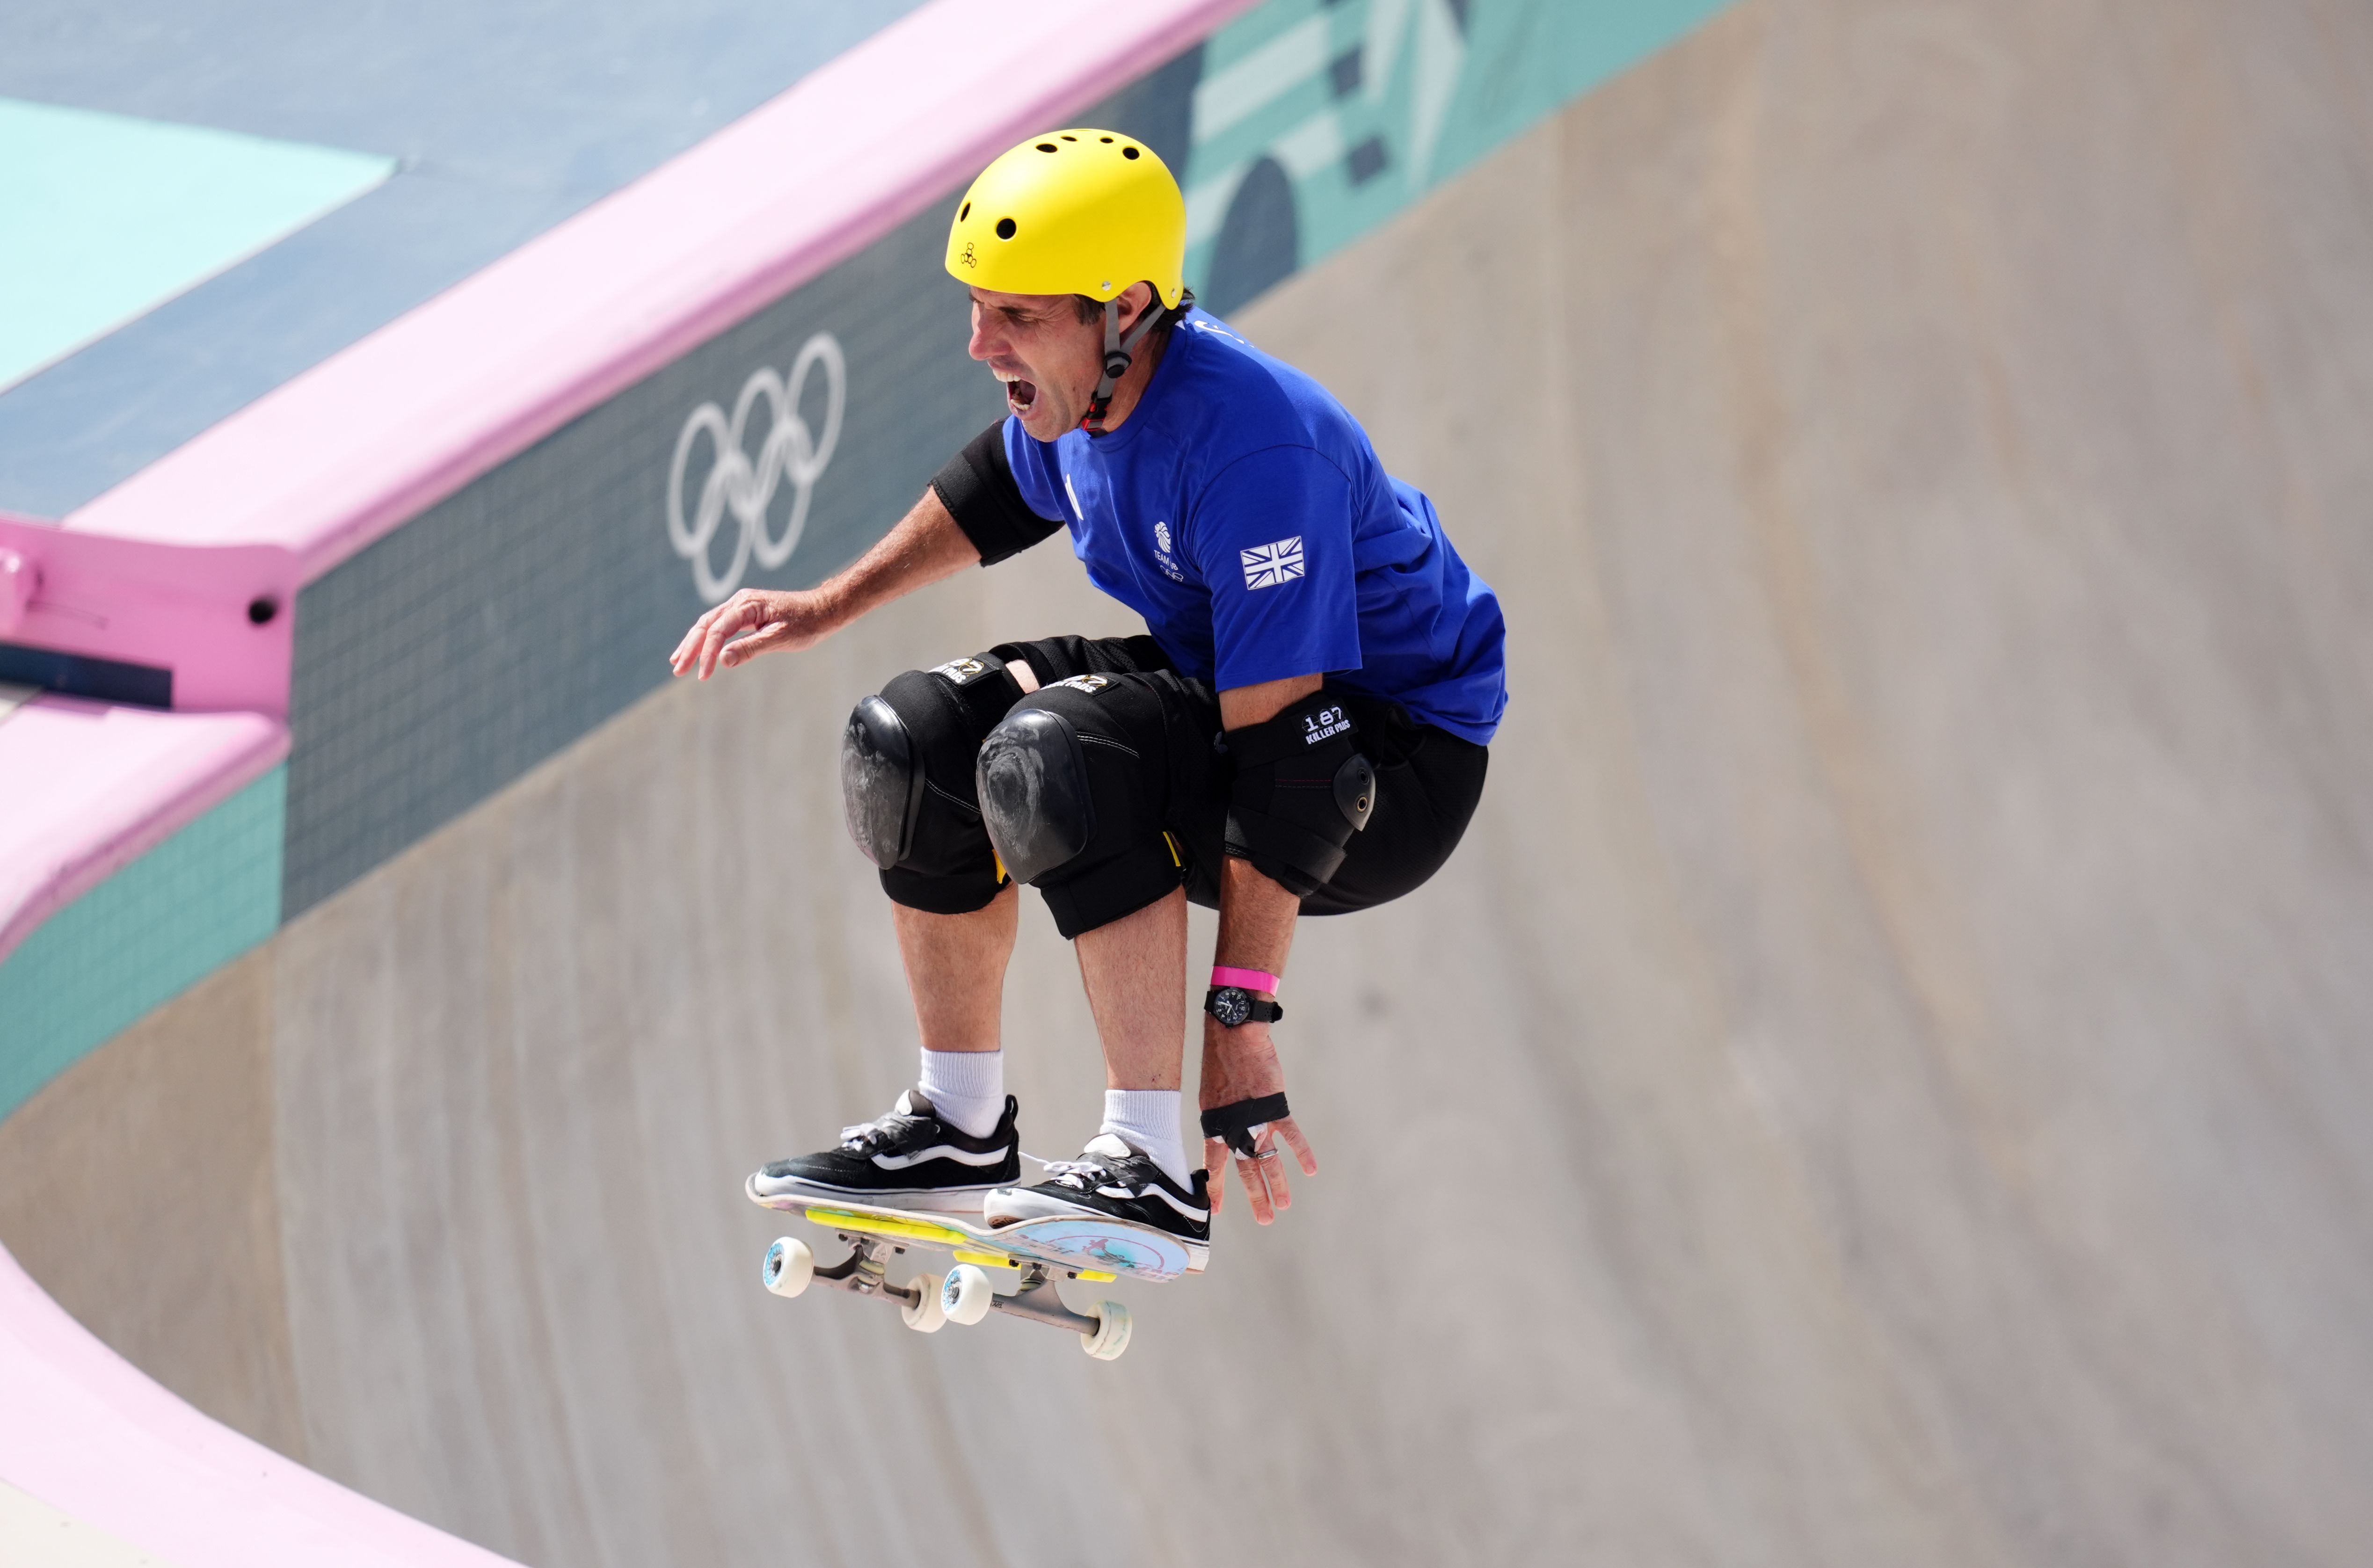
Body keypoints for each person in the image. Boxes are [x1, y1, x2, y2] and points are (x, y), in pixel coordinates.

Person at [671, 129, 1505, 1268]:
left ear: (1121, 311)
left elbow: (1291, 764)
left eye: (1014, 315)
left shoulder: (1253, 452)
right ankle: (958, 1126)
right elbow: (994, 491)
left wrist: (1241, 1019)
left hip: (1382, 765)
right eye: (975, 309)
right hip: (1246, 701)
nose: (980, 344)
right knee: (910, 742)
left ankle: (1148, 1164)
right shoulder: (1082, 399)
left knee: (1056, 753)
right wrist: (827, 602)